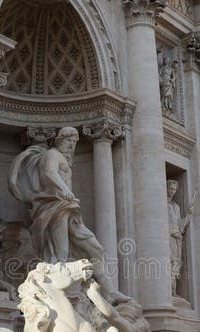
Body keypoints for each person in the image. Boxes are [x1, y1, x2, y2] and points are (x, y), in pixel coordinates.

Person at [9, 127, 125, 301]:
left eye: (74, 143)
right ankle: (57, 298)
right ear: (59, 140)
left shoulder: (62, 157)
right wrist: (64, 190)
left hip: (68, 207)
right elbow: (49, 172)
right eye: (69, 141)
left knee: (96, 249)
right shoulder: (53, 155)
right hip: (56, 206)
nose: (72, 146)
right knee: (60, 254)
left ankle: (109, 292)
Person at [167, 180, 195, 295]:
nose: (173, 191)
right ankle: (169, 291)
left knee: (176, 264)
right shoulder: (162, 204)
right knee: (169, 262)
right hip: (168, 237)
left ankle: (173, 291)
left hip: (177, 239)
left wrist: (189, 214)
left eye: (174, 189)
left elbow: (181, 225)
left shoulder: (176, 207)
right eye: (171, 189)